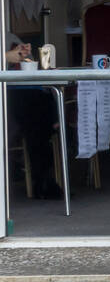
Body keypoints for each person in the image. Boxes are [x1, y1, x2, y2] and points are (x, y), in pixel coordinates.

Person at [5, 35, 61, 200]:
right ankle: (44, 178)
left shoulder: (8, 35)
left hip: (16, 92)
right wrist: (7, 56)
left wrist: (19, 55)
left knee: (37, 101)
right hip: (10, 95)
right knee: (35, 108)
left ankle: (44, 178)